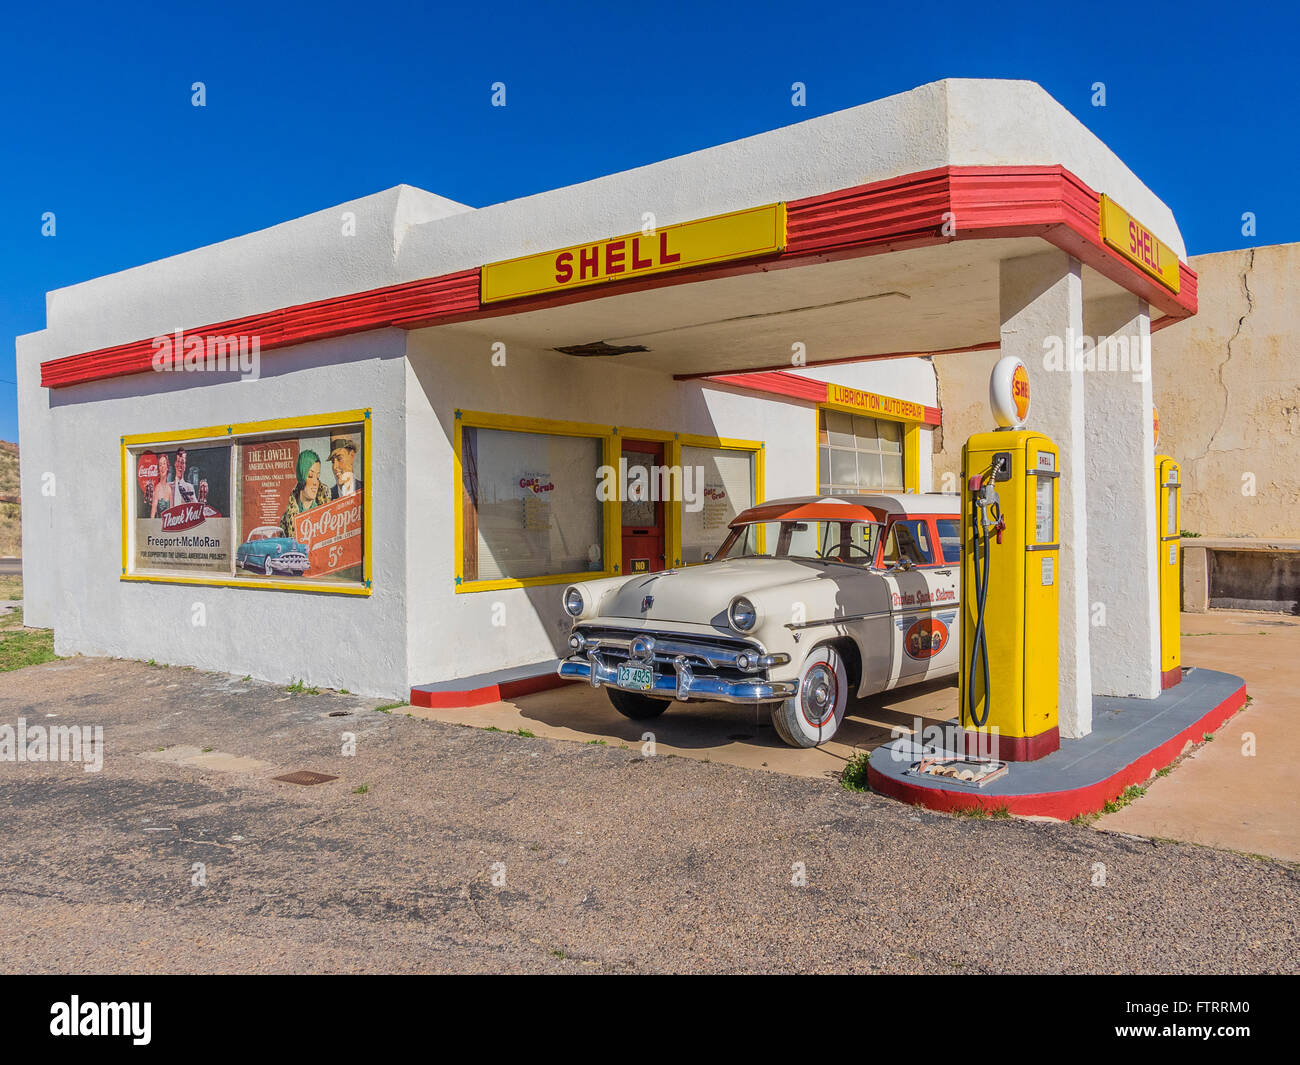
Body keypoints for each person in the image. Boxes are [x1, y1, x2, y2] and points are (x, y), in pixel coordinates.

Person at [281, 450, 329, 538]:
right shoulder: (287, 516)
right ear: (301, 477)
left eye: (318, 477)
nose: (315, 482)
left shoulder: (325, 513)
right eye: (310, 476)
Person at [149, 453, 172, 518]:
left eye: (164, 464)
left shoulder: (169, 489)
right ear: (158, 469)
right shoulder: (157, 489)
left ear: (167, 467)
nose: (162, 467)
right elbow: (152, 516)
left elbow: (172, 512)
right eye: (160, 465)